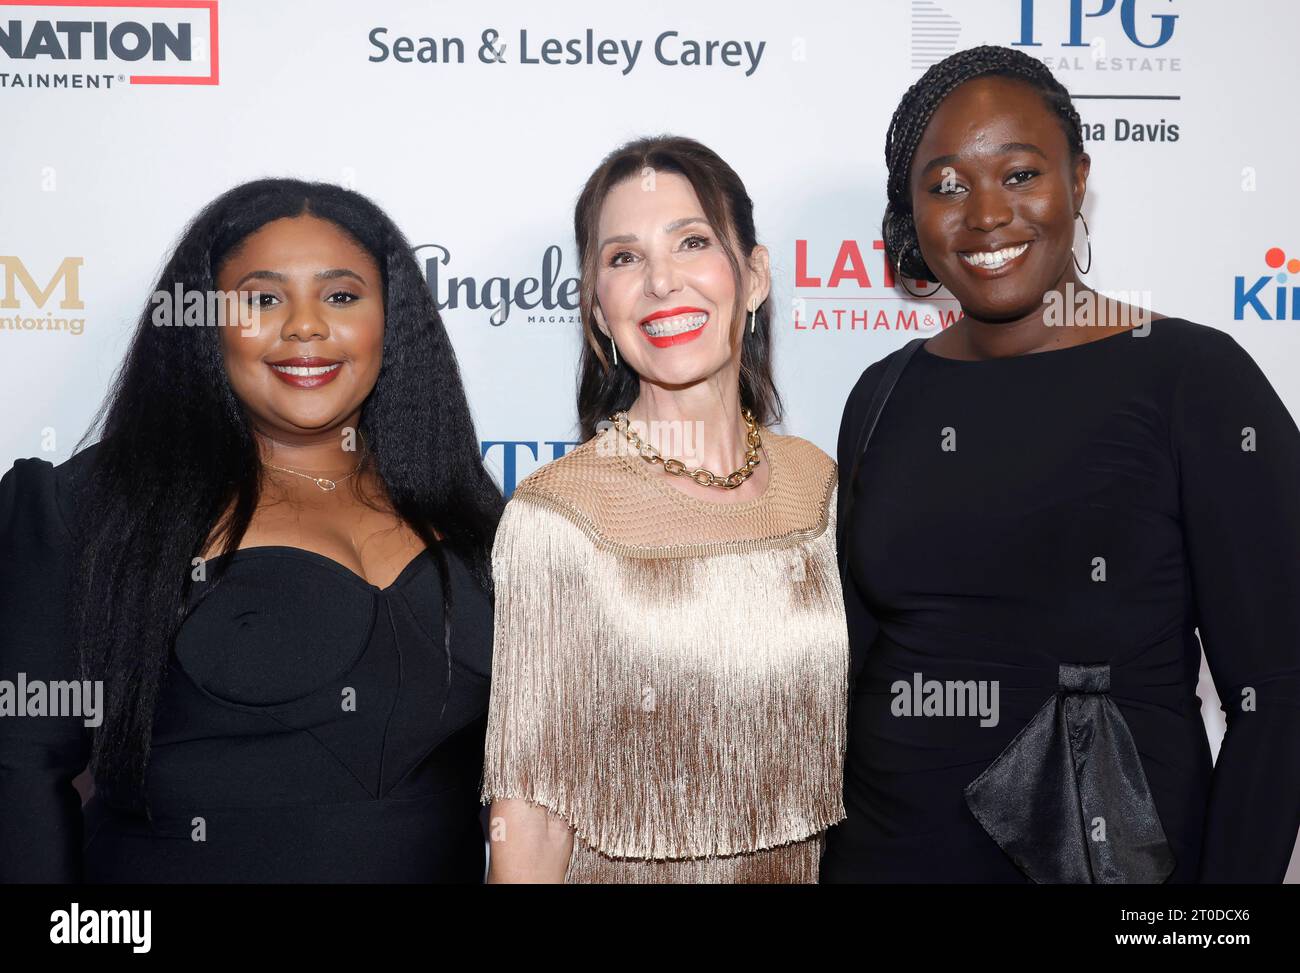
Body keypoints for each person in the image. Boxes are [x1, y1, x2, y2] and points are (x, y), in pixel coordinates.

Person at [824, 45, 1300, 883]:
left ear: (1078, 178)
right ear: (910, 212)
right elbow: (853, 671)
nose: (986, 215)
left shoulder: (1192, 377)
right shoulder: (882, 394)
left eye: (1019, 173)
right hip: (882, 857)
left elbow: (1280, 693)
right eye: (946, 185)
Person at [0, 178, 503, 882]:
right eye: (262, 298)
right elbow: (19, 774)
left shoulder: (469, 512)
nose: (304, 325)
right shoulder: (90, 507)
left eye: (341, 295)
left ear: (391, 320)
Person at [479, 135, 850, 882]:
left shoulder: (821, 485)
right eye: (623, 258)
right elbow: (530, 818)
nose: (661, 282)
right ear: (595, 307)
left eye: (691, 241)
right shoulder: (556, 518)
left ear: (754, 275)